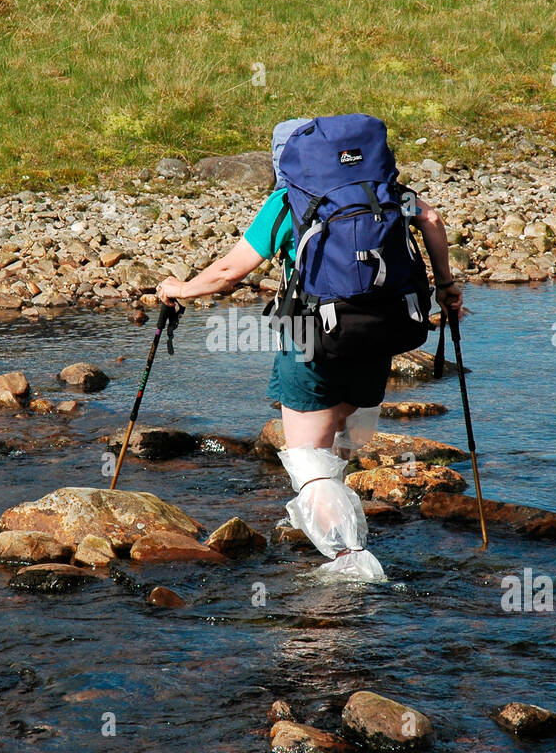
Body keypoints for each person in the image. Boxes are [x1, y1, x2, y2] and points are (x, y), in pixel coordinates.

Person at [156, 120, 463, 580]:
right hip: (379, 332)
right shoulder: (389, 192)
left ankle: (349, 561)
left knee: (308, 464)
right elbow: (434, 222)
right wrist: (446, 286)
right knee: (339, 442)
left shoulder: (287, 202)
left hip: (309, 336)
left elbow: (228, 272)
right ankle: (324, 520)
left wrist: (181, 288)